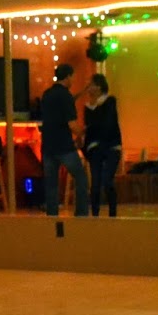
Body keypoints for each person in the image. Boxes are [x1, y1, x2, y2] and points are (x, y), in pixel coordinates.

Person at [40, 64, 89, 218]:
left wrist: (81, 93)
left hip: (48, 146)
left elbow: (58, 108)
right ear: (68, 76)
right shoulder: (65, 96)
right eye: (72, 77)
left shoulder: (47, 94)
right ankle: (81, 214)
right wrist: (83, 132)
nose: (73, 80)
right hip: (64, 146)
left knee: (51, 184)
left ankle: (52, 216)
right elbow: (71, 124)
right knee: (81, 178)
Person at [82, 73, 121, 218]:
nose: (89, 88)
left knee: (107, 180)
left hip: (111, 146)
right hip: (95, 148)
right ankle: (95, 214)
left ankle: (112, 214)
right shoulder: (88, 107)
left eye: (91, 85)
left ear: (99, 87)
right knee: (96, 182)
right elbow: (91, 128)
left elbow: (103, 125)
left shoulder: (110, 102)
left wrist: (91, 128)